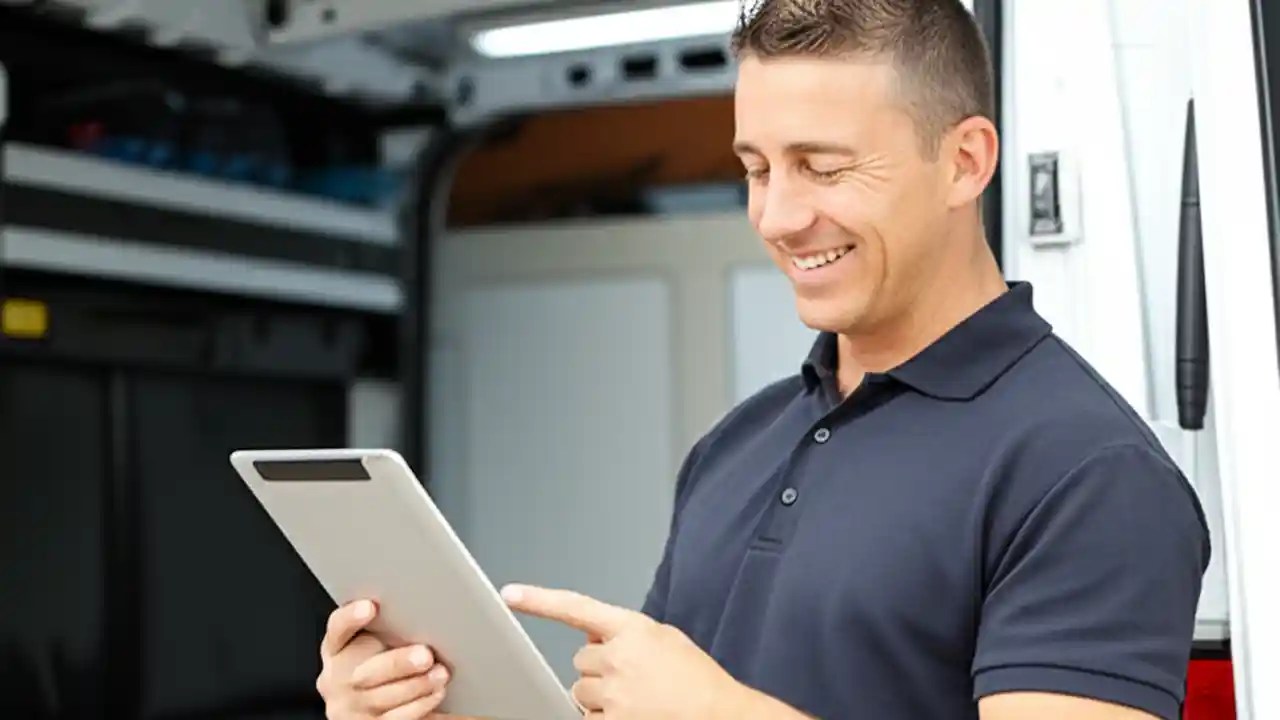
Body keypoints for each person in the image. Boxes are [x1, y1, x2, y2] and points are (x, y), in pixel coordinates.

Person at [314, 0, 1211, 718]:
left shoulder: (1089, 473)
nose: (778, 217)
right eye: (757, 168)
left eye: (823, 168)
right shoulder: (736, 445)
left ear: (964, 162)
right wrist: (431, 712)